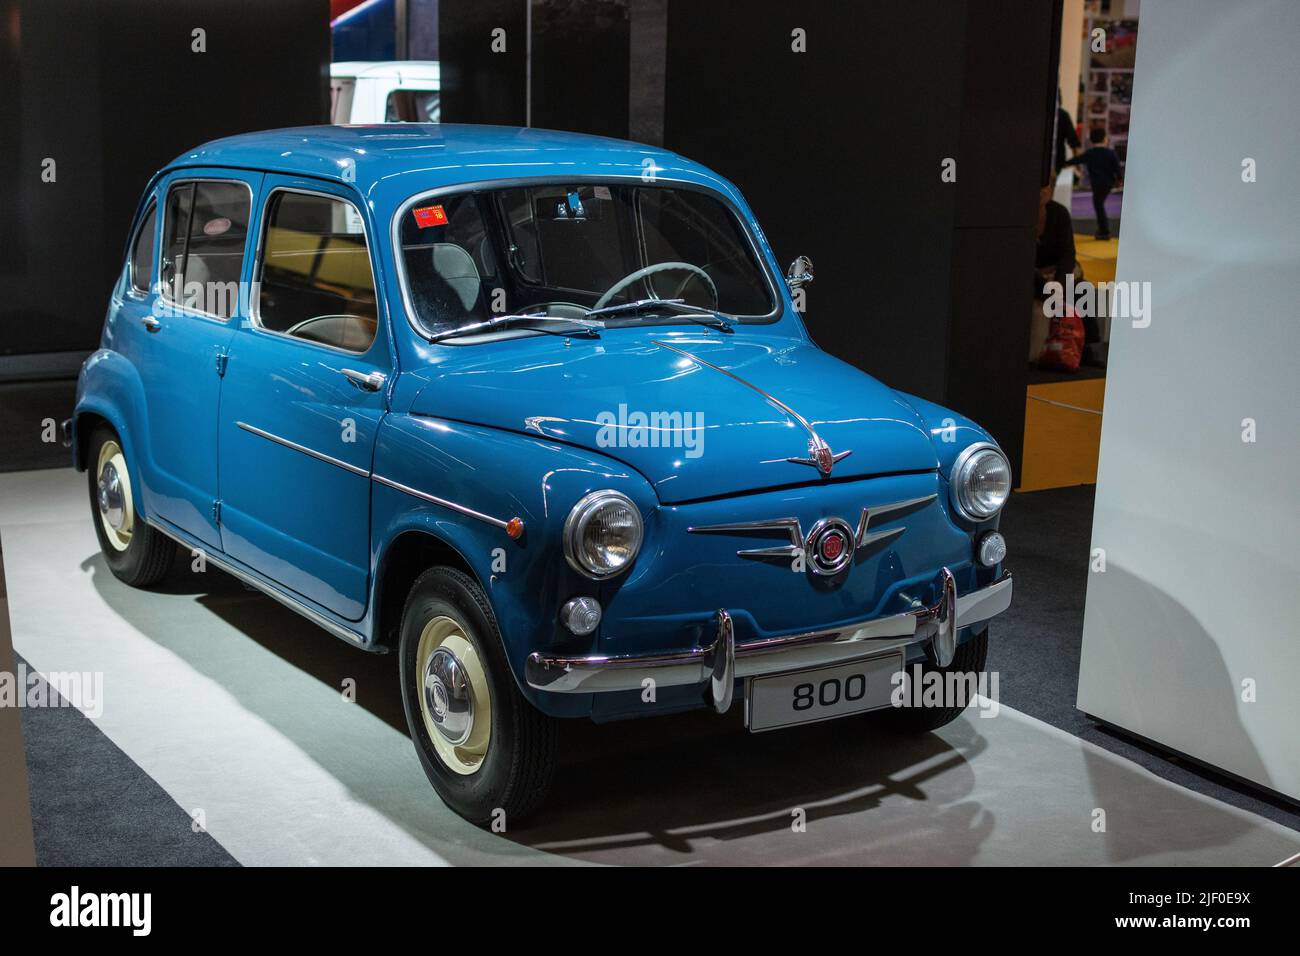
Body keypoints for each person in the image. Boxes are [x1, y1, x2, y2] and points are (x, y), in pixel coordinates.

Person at [1030, 183, 1081, 361]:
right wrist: (1043, 285)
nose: (1042, 192)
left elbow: (1068, 254)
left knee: (1080, 285)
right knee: (1034, 353)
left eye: (1046, 187)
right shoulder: (1018, 215)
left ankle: (1084, 344)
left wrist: (1058, 285)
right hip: (1034, 275)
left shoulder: (1059, 213)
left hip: (1057, 272)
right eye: (1039, 187)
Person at [1064, 128, 1122, 240]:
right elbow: (1117, 168)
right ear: (1105, 139)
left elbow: (1077, 159)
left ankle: (1104, 231)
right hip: (1108, 184)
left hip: (1097, 184)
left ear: (1091, 140)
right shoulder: (1110, 153)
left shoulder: (1090, 153)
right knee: (1099, 204)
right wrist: (1119, 179)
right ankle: (1103, 230)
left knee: (1098, 205)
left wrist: (1066, 163)